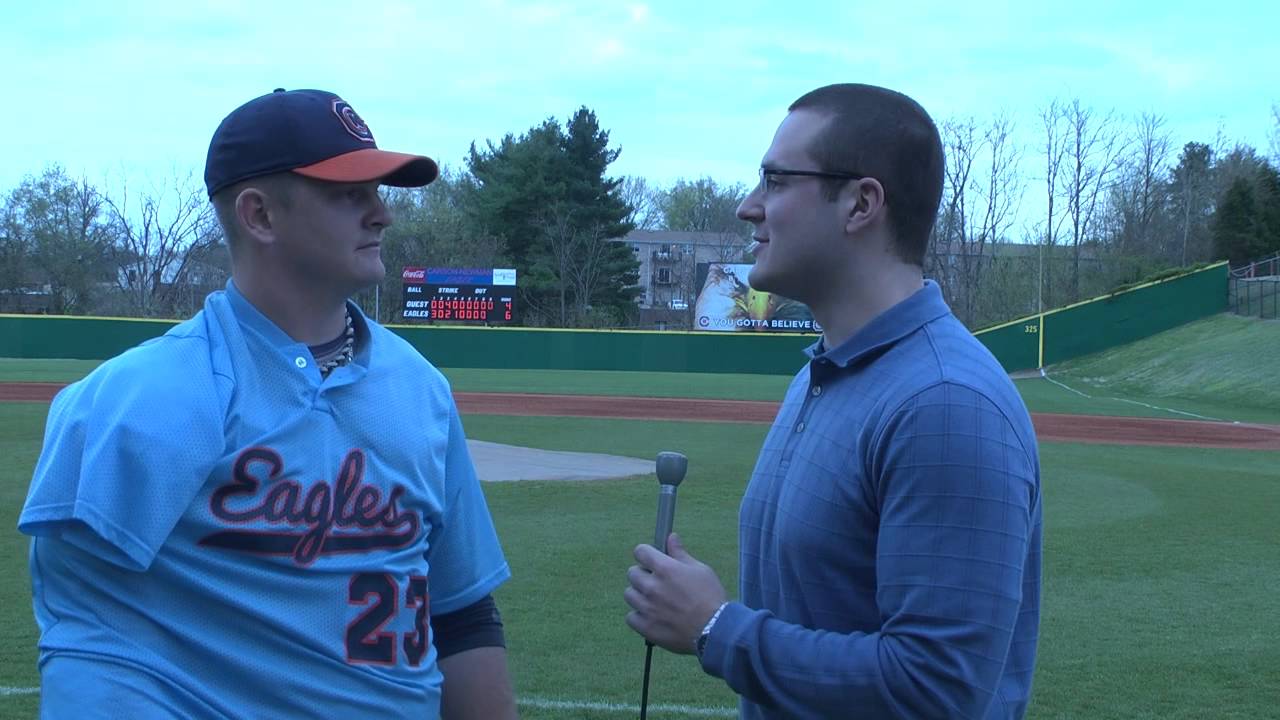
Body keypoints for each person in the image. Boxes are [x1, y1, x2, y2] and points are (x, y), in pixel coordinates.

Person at [19, 88, 516, 719]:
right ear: (259, 216)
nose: (381, 214)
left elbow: (461, 613)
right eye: (349, 194)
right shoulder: (143, 398)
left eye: (378, 192)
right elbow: (89, 638)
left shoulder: (420, 389)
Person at [624, 83, 1042, 719]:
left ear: (860, 204)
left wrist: (715, 629)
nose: (748, 206)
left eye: (775, 180)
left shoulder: (945, 403)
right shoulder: (825, 373)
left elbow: (937, 691)